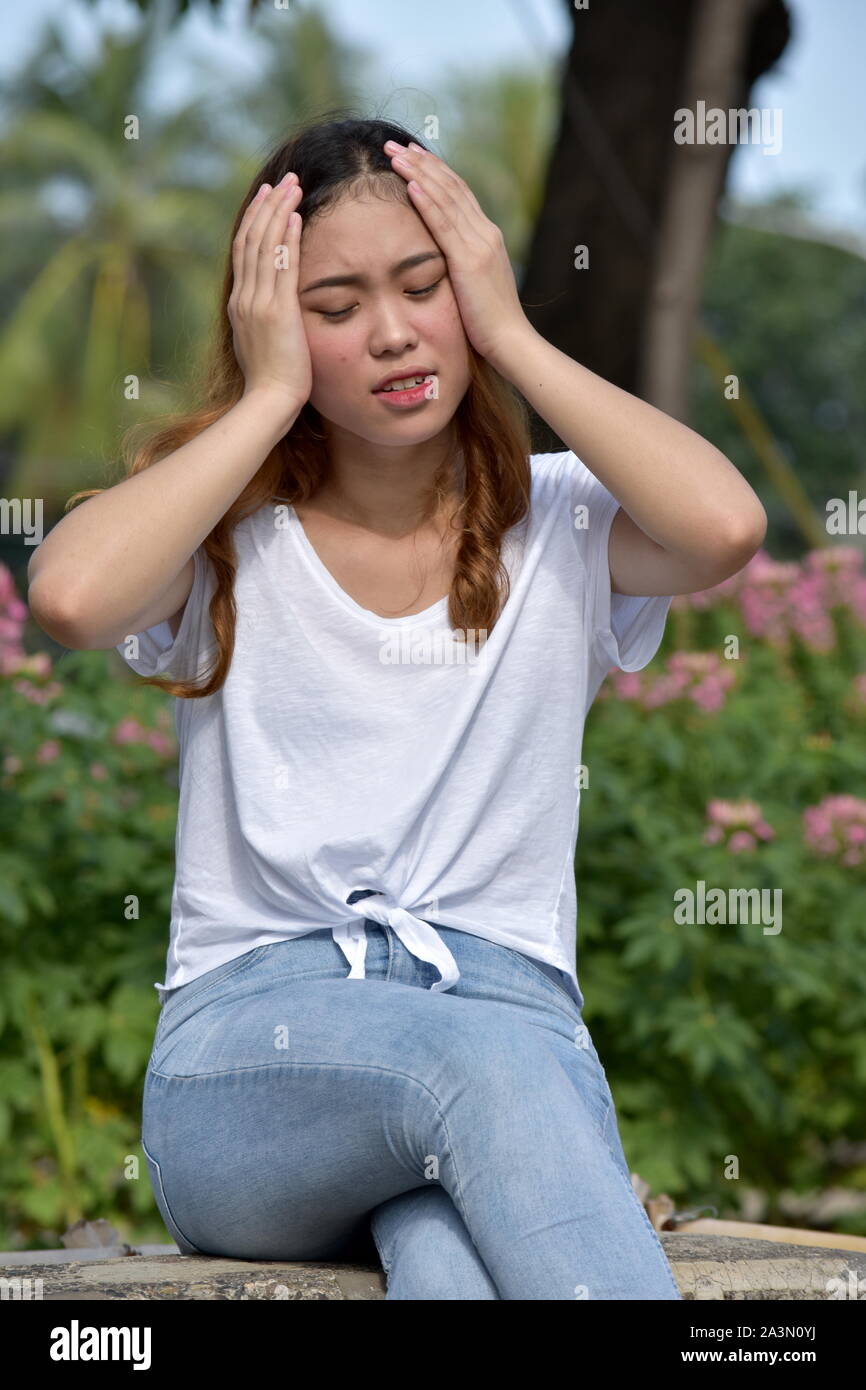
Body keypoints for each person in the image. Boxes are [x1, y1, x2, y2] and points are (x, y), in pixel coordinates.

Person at [27, 114, 766, 1299]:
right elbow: (67, 593)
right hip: (251, 1066)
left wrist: (513, 332)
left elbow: (724, 526)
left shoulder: (560, 523)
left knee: (443, 1254)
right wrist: (267, 397)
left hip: (503, 1040)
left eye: (424, 286)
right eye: (332, 308)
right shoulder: (227, 537)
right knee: (474, 1068)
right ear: (273, 320)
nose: (389, 333)